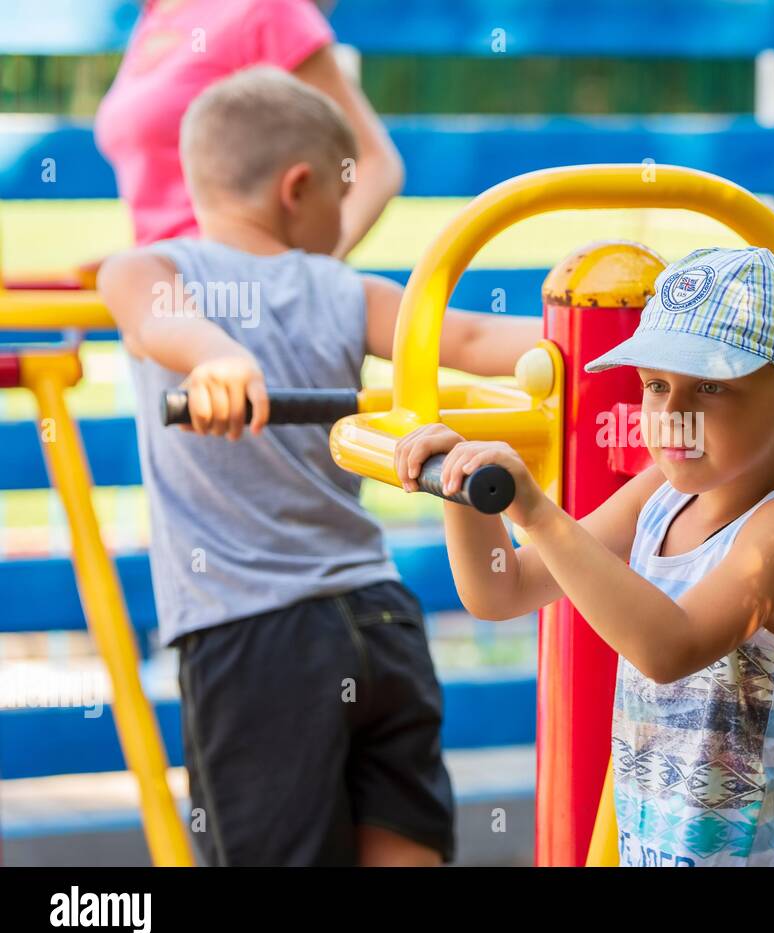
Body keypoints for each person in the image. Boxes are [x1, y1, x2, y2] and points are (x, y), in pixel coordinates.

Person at [97, 67, 541, 866]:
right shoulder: (339, 287)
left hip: (254, 641)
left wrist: (215, 352)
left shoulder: (146, 267)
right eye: (344, 197)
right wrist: (587, 329)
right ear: (299, 187)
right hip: (379, 620)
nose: (346, 216)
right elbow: (475, 341)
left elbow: (148, 310)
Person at [394, 247, 774, 867]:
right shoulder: (658, 498)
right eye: (657, 386)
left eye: (710, 386)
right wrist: (465, 489)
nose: (674, 415)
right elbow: (502, 591)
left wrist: (537, 512)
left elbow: (670, 649)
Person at [96, 0, 401, 257]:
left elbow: (374, 163)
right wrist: (145, 264)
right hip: (167, 290)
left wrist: (309, 273)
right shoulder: (156, 13)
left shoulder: (268, 9)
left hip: (239, 301)